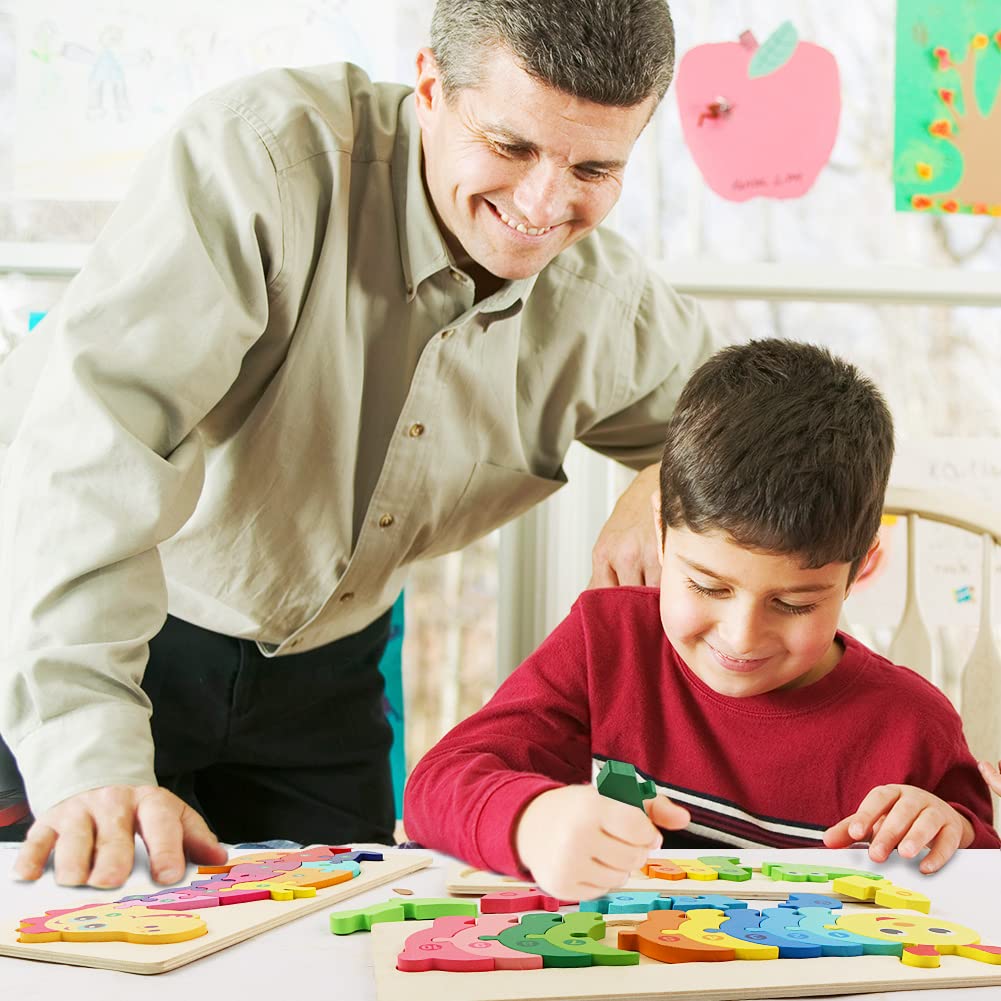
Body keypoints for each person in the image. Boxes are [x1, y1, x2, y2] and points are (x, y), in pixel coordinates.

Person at [0, 0, 718, 889]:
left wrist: (663, 478)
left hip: (322, 675)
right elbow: (91, 460)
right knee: (60, 942)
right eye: (510, 146)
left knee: (332, 948)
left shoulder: (606, 307)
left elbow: (757, 427)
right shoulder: (260, 163)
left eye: (593, 167)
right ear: (428, 87)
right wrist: (88, 756)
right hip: (84, 621)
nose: (542, 206)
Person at [403, 339, 1000, 901]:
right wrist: (531, 821)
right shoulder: (607, 644)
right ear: (660, 533)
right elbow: (436, 787)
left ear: (859, 570)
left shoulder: (912, 727)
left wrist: (950, 832)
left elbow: (979, 878)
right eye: (706, 585)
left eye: (794, 604)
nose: (741, 636)